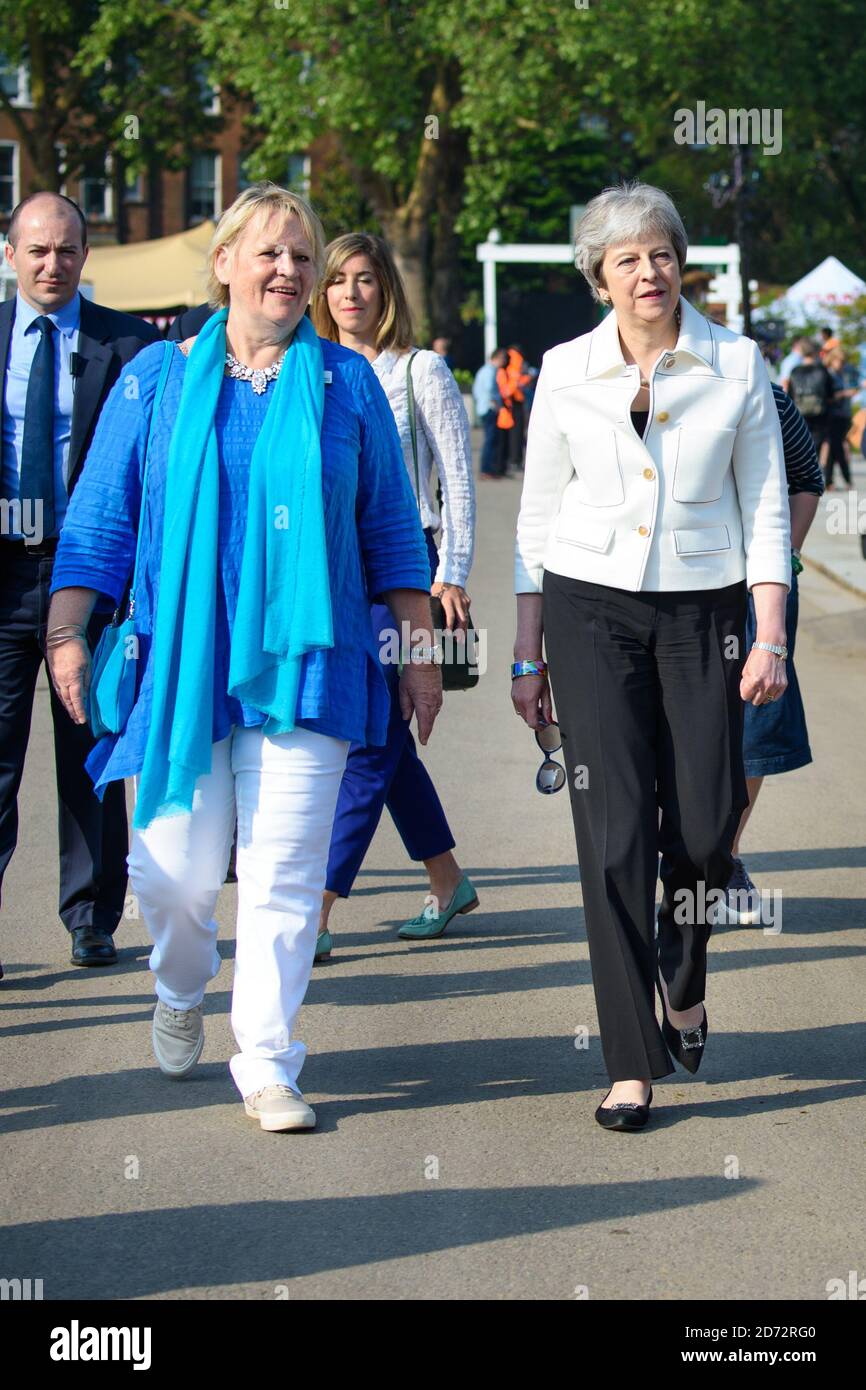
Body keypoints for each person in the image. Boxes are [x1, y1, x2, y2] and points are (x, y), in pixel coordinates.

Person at [45, 182, 440, 1133]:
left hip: (314, 662)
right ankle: (181, 984)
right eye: (268, 252)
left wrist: (420, 648)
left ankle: (266, 1059)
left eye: (302, 256)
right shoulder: (156, 378)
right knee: (170, 877)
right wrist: (66, 632)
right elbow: (99, 522)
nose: (289, 271)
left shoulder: (347, 386)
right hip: (180, 665)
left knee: (286, 872)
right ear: (222, 264)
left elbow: (389, 526)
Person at [513, 181, 790, 1131]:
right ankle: (630, 1062)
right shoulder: (561, 369)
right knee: (615, 836)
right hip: (590, 613)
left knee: (708, 826)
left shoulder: (737, 362)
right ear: (599, 277)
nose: (649, 272)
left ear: (683, 264)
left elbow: (765, 509)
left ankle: (684, 973)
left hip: (704, 611)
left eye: (662, 253)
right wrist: (525, 652)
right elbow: (537, 518)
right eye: (626, 259)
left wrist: (772, 635)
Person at [0, 192, 159, 979]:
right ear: (11, 255)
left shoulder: (127, 344)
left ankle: (93, 914)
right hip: (2, 572)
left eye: (66, 251)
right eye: (37, 251)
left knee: (89, 747)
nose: (52, 265)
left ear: (84, 257)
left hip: (90, 576)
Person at [310, 232, 477, 952]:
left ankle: (314, 908)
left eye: (366, 279)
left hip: (408, 569)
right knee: (384, 735)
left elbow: (459, 478)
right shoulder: (312, 370)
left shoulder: (420, 370)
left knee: (371, 742)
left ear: (387, 291)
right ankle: (447, 878)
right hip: (335, 573)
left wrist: (454, 570)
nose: (351, 292)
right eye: (338, 280)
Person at [719, 385, 824, 922]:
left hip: (763, 586)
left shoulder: (766, 394)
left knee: (755, 716)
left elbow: (808, 479)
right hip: (681, 581)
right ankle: (673, 860)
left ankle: (724, 859)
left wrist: (786, 557)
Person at [788, 341, 835, 476]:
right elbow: (830, 392)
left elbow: (791, 394)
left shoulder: (795, 371)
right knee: (822, 441)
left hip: (800, 410)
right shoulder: (821, 369)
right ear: (815, 352)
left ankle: (805, 469)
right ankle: (820, 469)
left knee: (803, 441)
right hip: (820, 411)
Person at [824, 347, 859, 488]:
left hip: (843, 415)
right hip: (833, 416)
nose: (842, 365)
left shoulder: (842, 374)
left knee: (834, 449)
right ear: (833, 360)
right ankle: (846, 479)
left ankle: (830, 481)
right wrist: (844, 394)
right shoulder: (829, 375)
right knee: (837, 448)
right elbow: (828, 397)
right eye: (840, 361)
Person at [473, 347, 507, 479]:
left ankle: (488, 469)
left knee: (490, 439)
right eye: (503, 358)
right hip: (489, 408)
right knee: (490, 440)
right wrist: (496, 404)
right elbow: (489, 390)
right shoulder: (490, 372)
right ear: (497, 358)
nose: (504, 361)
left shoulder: (484, 371)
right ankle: (487, 469)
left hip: (483, 407)